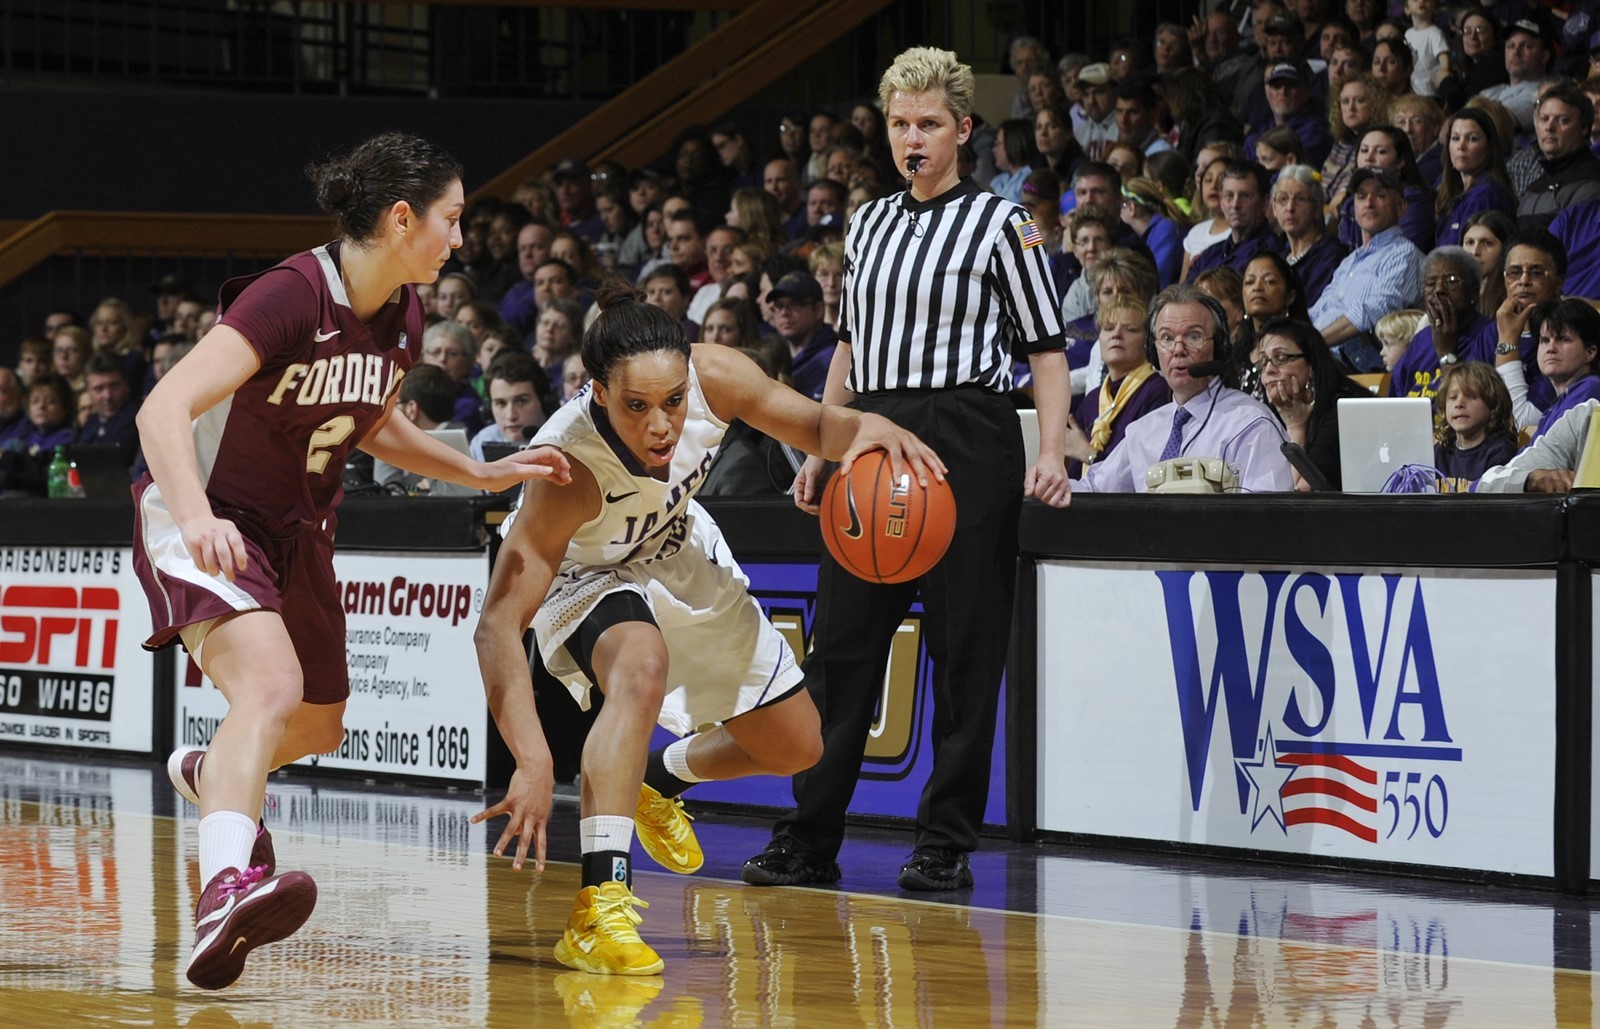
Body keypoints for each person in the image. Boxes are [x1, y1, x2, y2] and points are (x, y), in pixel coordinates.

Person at [131, 133, 569, 991]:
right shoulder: (291, 292)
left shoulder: (401, 313)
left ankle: (213, 770)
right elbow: (162, 407)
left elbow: (370, 418)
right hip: (211, 511)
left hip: (299, 527)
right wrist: (194, 516)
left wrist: (477, 469)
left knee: (321, 723)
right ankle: (225, 888)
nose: (457, 238)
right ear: (401, 217)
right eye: (450, 219)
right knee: (269, 689)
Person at [472, 283, 940, 974]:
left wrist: (872, 431)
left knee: (796, 745)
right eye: (637, 407)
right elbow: (495, 626)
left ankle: (658, 774)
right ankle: (600, 901)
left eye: (672, 401)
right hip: (584, 570)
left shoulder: (716, 376)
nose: (662, 425)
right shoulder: (564, 471)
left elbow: (815, 426)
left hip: (674, 545)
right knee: (640, 663)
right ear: (597, 392)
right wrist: (533, 756)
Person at [741, 46, 1071, 894]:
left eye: (928, 123)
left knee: (965, 651)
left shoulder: (1004, 223)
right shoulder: (871, 222)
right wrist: (823, 444)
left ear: (963, 129)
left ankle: (944, 842)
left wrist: (1052, 451)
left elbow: (1045, 349)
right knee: (842, 648)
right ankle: (809, 836)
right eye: (899, 124)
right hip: (871, 429)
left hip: (967, 431)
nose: (912, 138)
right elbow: (847, 344)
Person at [1070, 284, 1294, 493]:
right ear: (1152, 350)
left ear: (1218, 347)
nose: (1178, 349)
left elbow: (1268, 520)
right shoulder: (1143, 432)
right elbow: (1091, 490)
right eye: (1167, 338)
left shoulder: (1250, 424)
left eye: (1193, 336)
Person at [1310, 167, 1424, 372]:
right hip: (1325, 357)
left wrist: (1311, 344)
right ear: (1354, 207)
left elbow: (1371, 313)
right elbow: (1318, 311)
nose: (1369, 203)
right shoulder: (1349, 261)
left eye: (1380, 195)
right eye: (1361, 196)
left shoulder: (1403, 253)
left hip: (1360, 365)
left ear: (1401, 207)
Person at [1061, 295, 1171, 476]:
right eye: (1109, 328)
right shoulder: (1092, 400)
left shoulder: (1157, 391)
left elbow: (1142, 474)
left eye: (1130, 329)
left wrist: (1088, 454)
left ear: (1147, 342)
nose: (1116, 335)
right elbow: (1073, 472)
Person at [1255, 316, 1369, 489]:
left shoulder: (1344, 411)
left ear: (1312, 366)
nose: (1269, 369)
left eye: (1281, 358)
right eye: (1263, 362)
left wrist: (1296, 428)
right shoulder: (1271, 413)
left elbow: (1295, 492)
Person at [1387, 246, 1490, 399]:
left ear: (1474, 291)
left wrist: (1447, 354)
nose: (1439, 289)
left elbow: (1473, 403)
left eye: (1451, 281)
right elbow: (1395, 402)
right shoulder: (1420, 340)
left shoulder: (1489, 336)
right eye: (1430, 283)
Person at [1186, 161, 1280, 282]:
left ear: (1265, 202)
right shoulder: (1210, 253)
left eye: (1245, 196)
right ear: (1221, 201)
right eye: (1229, 196)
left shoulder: (1272, 256)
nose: (1235, 205)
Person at [1436, 108, 1517, 247]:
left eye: (1472, 139)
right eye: (1455, 138)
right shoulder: (1454, 193)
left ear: (1489, 147)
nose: (1461, 146)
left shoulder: (1485, 195)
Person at [1434, 361, 1518, 492]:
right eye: (1452, 397)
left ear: (1493, 405)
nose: (1459, 404)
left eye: (1471, 396)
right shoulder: (1440, 452)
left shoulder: (1501, 452)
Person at [1272, 164, 1347, 307]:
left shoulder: (1330, 255)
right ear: (1274, 208)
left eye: (1300, 199)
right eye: (1283, 199)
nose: (1290, 208)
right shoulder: (1277, 257)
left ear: (1317, 208)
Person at [1526, 299, 1600, 442]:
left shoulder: (1590, 390)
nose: (1551, 348)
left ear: (1590, 352)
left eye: (1563, 339)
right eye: (1545, 340)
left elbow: (1549, 457)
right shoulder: (1553, 408)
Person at [0, 373, 76, 496]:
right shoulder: (25, 435)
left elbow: (45, 476)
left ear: (64, 408)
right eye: (35, 401)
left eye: (50, 402)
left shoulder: (67, 439)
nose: (41, 406)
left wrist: (6, 458)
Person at [77, 350, 141, 454]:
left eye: (114, 386)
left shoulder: (137, 419)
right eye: (99, 389)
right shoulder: (90, 424)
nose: (107, 396)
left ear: (126, 385)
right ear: (88, 391)